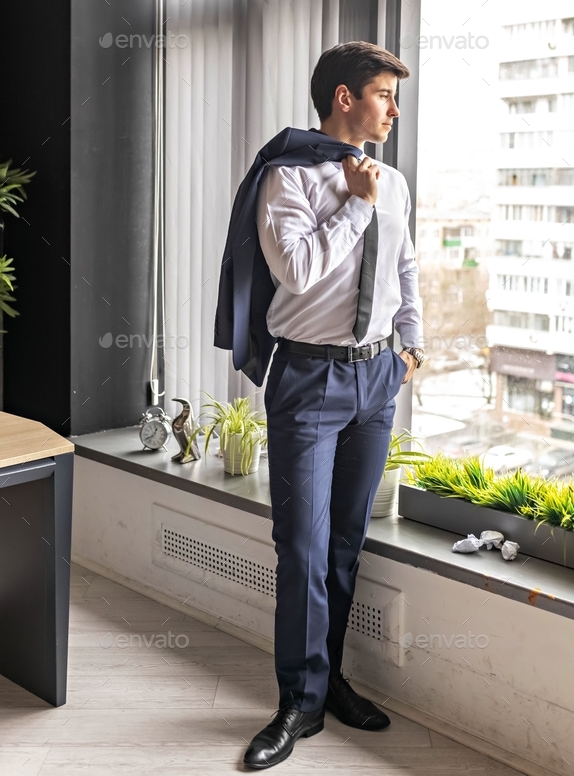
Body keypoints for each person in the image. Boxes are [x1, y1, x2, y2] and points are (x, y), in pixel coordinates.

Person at [216, 41, 424, 770]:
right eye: (384, 96)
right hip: (308, 382)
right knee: (301, 544)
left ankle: (329, 681)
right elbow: (298, 273)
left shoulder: (392, 183)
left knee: (343, 542)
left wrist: (411, 344)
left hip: (375, 383)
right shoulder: (289, 177)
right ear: (344, 97)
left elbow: (404, 266)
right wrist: (356, 209)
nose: (394, 110)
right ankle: (296, 703)